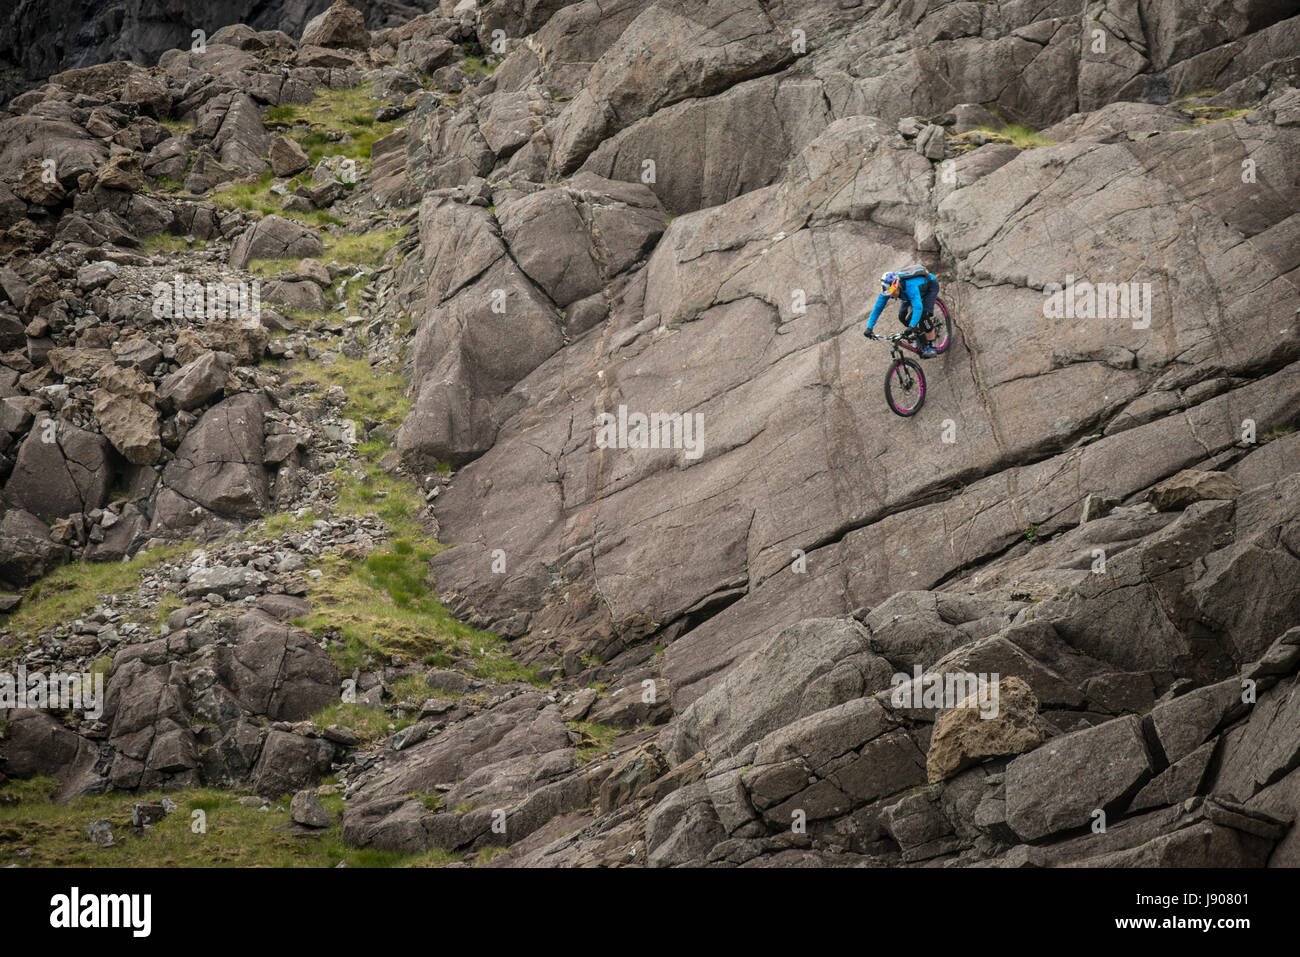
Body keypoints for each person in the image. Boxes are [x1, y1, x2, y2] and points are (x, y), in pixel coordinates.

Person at [863, 265, 939, 357]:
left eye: (893, 292)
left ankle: (932, 346)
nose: (892, 296)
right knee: (902, 316)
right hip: (908, 294)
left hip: (930, 286)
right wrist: (869, 328)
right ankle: (920, 334)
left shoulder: (910, 285)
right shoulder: (887, 288)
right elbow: (877, 308)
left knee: (923, 315)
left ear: (897, 285)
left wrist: (912, 326)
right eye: (890, 294)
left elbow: (918, 307)